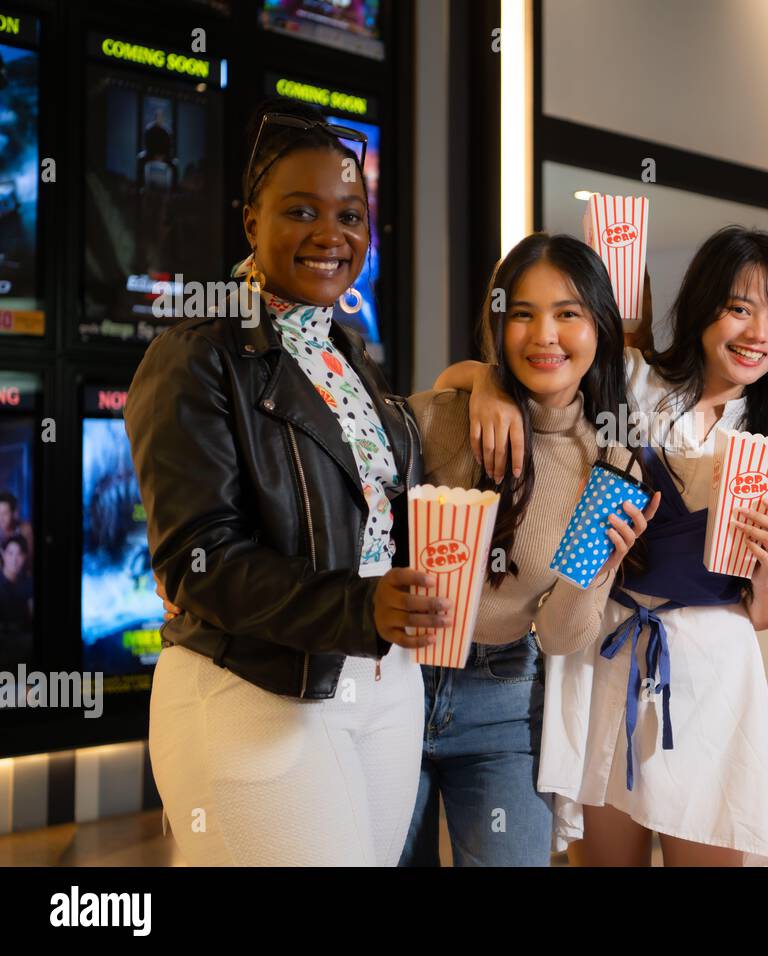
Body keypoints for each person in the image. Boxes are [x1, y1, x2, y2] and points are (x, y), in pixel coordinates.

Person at [442, 226, 768, 866]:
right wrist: (488, 385)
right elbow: (516, 371)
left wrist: (765, 569)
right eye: (739, 308)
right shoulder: (632, 384)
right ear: (701, 307)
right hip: (599, 648)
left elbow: (767, 611)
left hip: (711, 671)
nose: (760, 332)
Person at [126, 98, 439, 866]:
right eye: (302, 211)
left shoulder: (350, 356)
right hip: (255, 690)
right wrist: (361, 606)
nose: (333, 235)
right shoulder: (195, 357)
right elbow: (199, 559)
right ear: (250, 224)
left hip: (383, 684)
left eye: (351, 216)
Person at [401, 232, 660, 866]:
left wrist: (597, 569)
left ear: (600, 326)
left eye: (567, 313)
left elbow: (560, 635)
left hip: (504, 700)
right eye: (522, 313)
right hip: (394, 684)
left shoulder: (610, 464)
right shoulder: (437, 416)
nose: (545, 334)